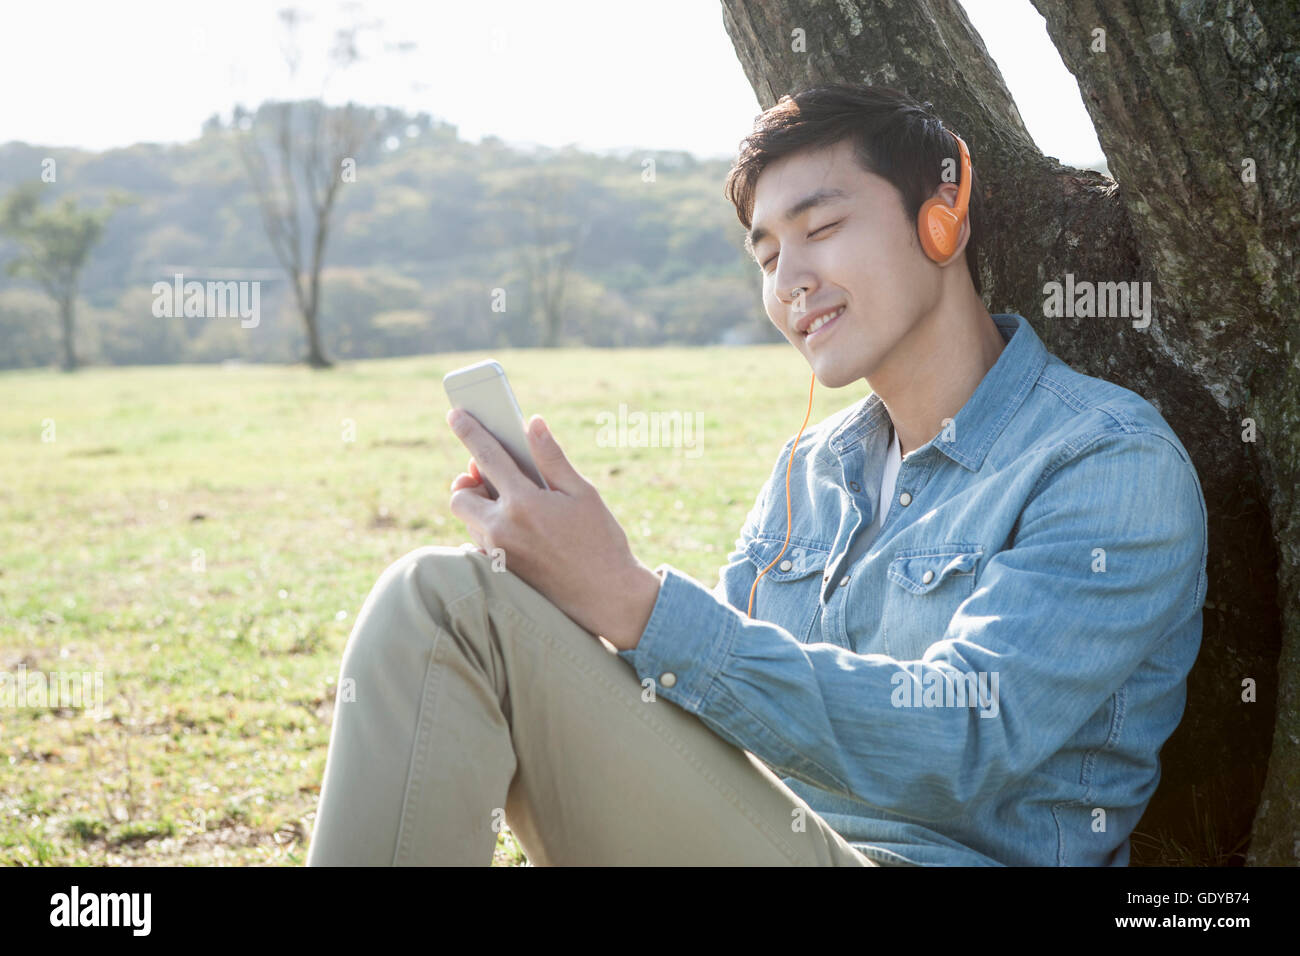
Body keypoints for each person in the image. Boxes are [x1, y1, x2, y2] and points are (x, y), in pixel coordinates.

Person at [305, 83, 1208, 866]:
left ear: (943, 218)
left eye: (820, 228)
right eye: (768, 257)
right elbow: (717, 711)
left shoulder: (1104, 462)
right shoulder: (808, 474)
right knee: (448, 602)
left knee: (450, 604)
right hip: (762, 836)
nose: (791, 282)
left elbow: (961, 741)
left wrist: (632, 599)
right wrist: (577, 595)